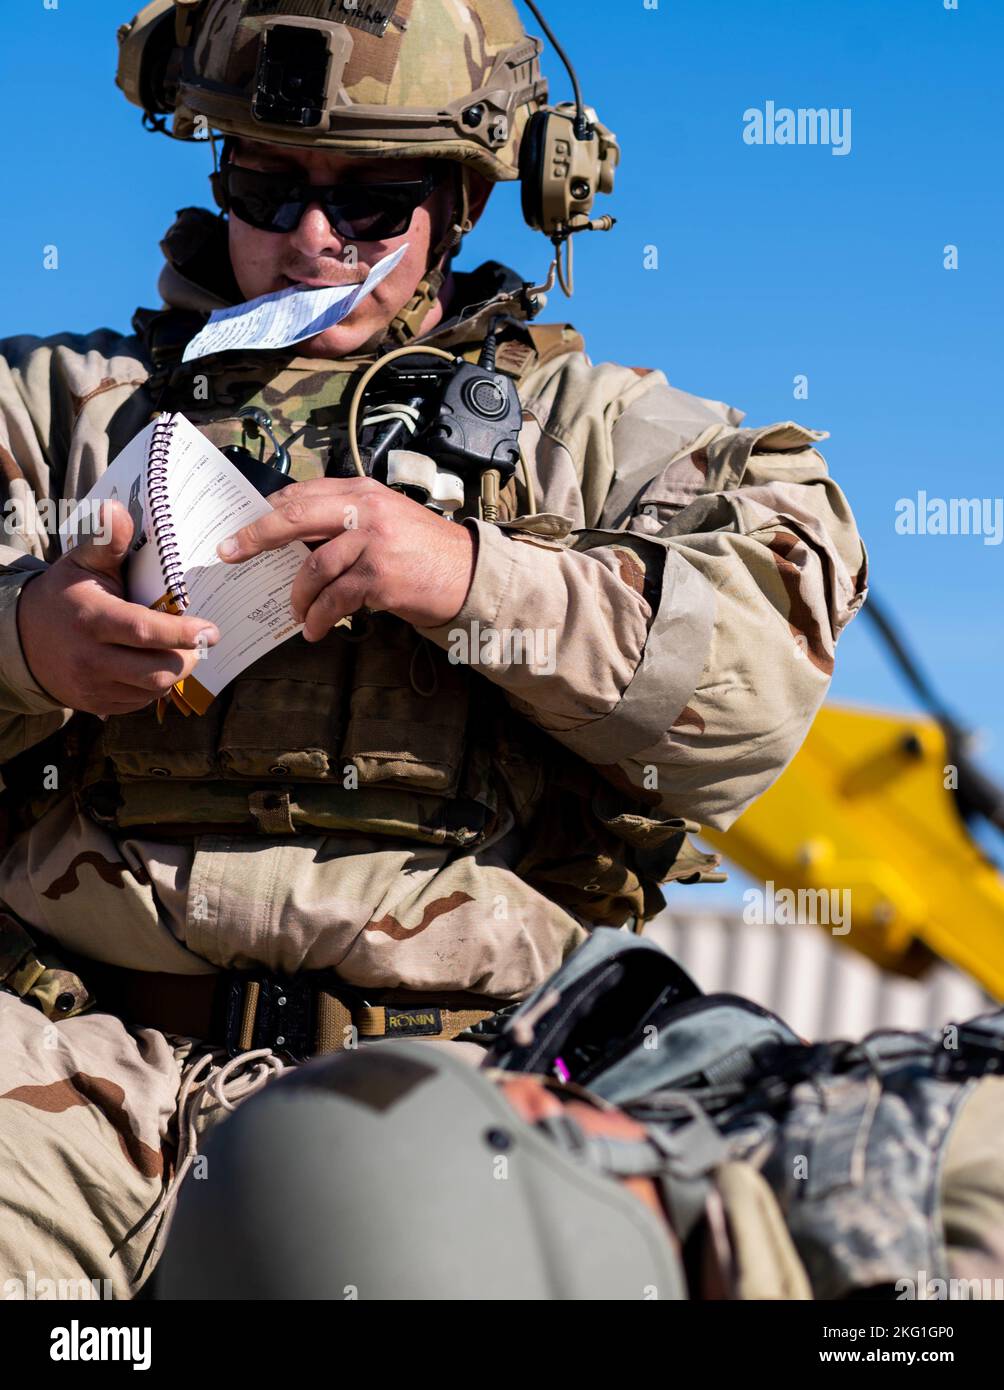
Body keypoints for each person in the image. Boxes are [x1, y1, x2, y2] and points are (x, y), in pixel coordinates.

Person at [0, 0, 866, 1297]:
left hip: (438, 1103)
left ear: (463, 203)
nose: (307, 240)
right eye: (265, 183)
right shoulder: (57, 411)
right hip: (63, 1080)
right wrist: (25, 645)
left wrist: (468, 578)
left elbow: (757, 680)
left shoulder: (599, 438)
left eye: (371, 204)